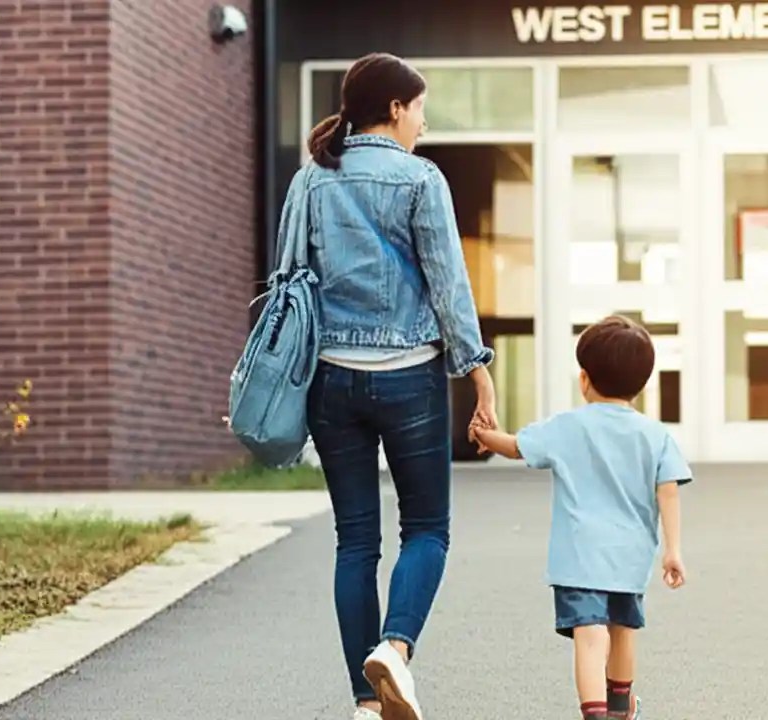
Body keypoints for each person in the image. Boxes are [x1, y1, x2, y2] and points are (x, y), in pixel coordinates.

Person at [298, 52, 497, 720]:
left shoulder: (311, 180)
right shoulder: (419, 178)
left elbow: (287, 285)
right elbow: (449, 284)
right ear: (394, 109)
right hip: (409, 376)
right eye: (420, 107)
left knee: (355, 540)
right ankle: (395, 649)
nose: (424, 120)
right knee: (428, 530)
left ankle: (364, 702)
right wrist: (478, 374)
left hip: (331, 381)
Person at [471, 315, 692, 720]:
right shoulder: (655, 435)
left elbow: (517, 447)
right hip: (630, 558)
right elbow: (669, 490)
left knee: (590, 638)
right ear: (641, 386)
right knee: (623, 631)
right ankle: (622, 707)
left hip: (578, 558)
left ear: (585, 380)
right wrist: (673, 550)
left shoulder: (567, 426)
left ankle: (595, 715)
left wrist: (485, 435)